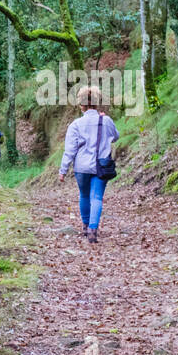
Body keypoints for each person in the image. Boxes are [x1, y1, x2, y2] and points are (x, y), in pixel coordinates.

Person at [58, 86, 119, 243]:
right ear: (97, 103)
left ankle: (85, 226)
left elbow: (70, 150)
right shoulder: (106, 121)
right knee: (97, 197)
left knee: (84, 195)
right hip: (101, 166)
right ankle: (93, 230)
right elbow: (115, 137)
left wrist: (63, 170)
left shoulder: (76, 125)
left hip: (82, 167)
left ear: (82, 105)